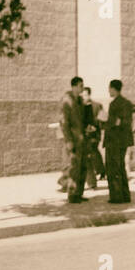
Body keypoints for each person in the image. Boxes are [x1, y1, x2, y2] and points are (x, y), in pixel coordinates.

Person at [103, 80, 134, 204]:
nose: (108, 91)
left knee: (113, 169)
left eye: (109, 88)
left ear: (113, 89)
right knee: (120, 167)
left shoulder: (115, 104)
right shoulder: (127, 103)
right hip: (123, 141)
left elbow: (118, 122)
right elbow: (127, 122)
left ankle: (116, 197)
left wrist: (105, 121)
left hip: (114, 141)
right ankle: (125, 195)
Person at [60, 76, 88, 204]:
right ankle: (72, 194)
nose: (82, 88)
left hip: (82, 138)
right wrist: (68, 140)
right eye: (81, 85)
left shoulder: (80, 100)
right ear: (75, 86)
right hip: (73, 139)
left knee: (82, 167)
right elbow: (64, 122)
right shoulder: (67, 100)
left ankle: (79, 193)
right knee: (73, 167)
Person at [81, 85, 103, 189]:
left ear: (89, 95)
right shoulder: (80, 106)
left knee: (90, 154)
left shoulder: (97, 105)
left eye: (85, 94)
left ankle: (95, 178)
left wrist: (96, 127)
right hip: (84, 135)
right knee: (88, 156)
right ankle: (96, 176)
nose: (83, 96)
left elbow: (102, 119)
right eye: (82, 94)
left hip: (94, 135)